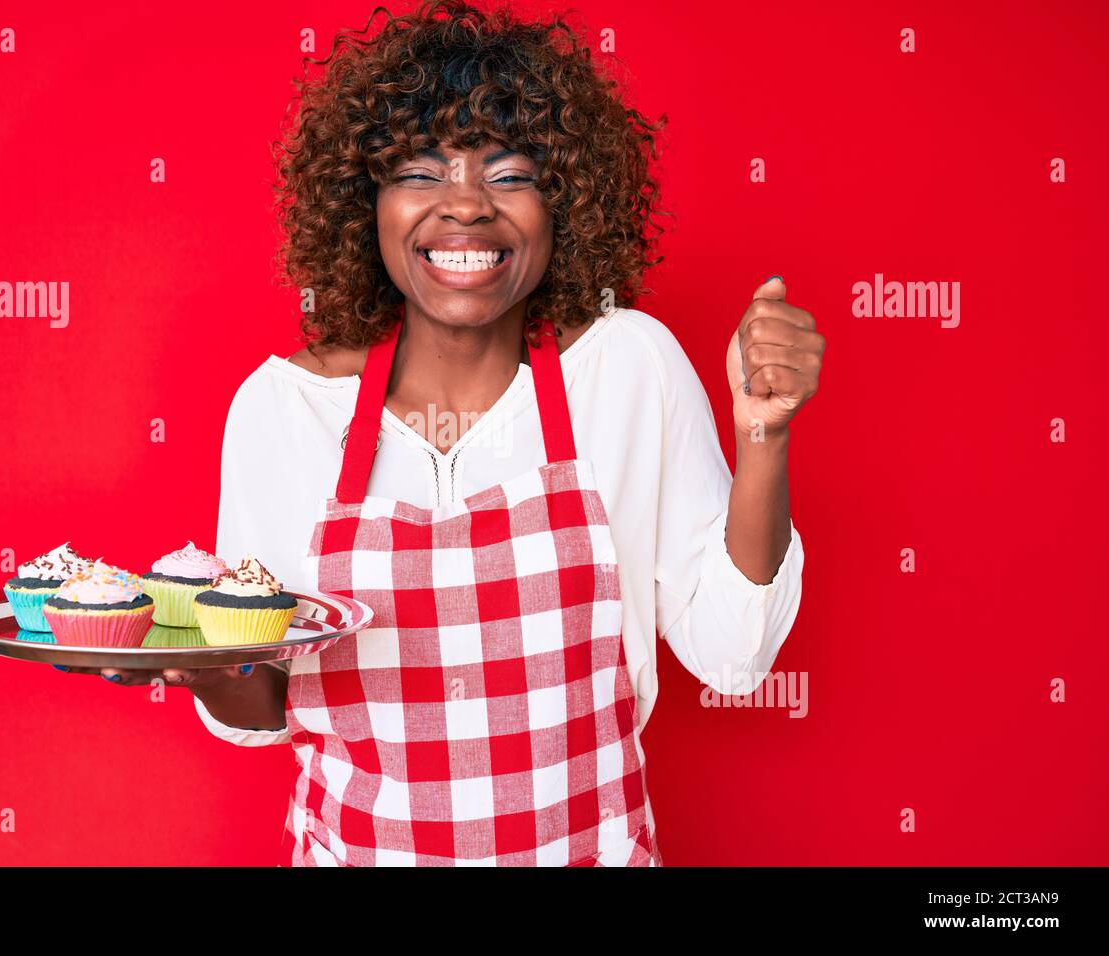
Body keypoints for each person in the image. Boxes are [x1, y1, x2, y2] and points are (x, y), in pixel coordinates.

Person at [66, 0, 823, 867]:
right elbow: (269, 702)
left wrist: (763, 435)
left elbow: (735, 653)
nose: (464, 207)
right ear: (368, 205)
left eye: (509, 175)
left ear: (563, 202)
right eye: (421, 172)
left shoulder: (626, 374)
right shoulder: (287, 413)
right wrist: (200, 664)